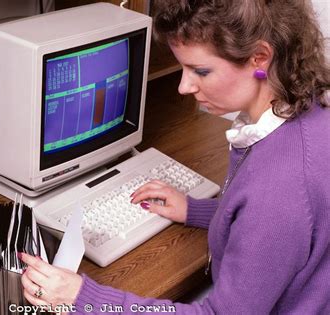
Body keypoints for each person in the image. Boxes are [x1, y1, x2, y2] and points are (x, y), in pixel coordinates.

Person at [20, 0, 330, 313]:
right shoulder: (311, 111)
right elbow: (277, 232)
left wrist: (83, 297)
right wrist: (197, 210)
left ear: (259, 57)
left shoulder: (280, 189)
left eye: (201, 71)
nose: (183, 86)